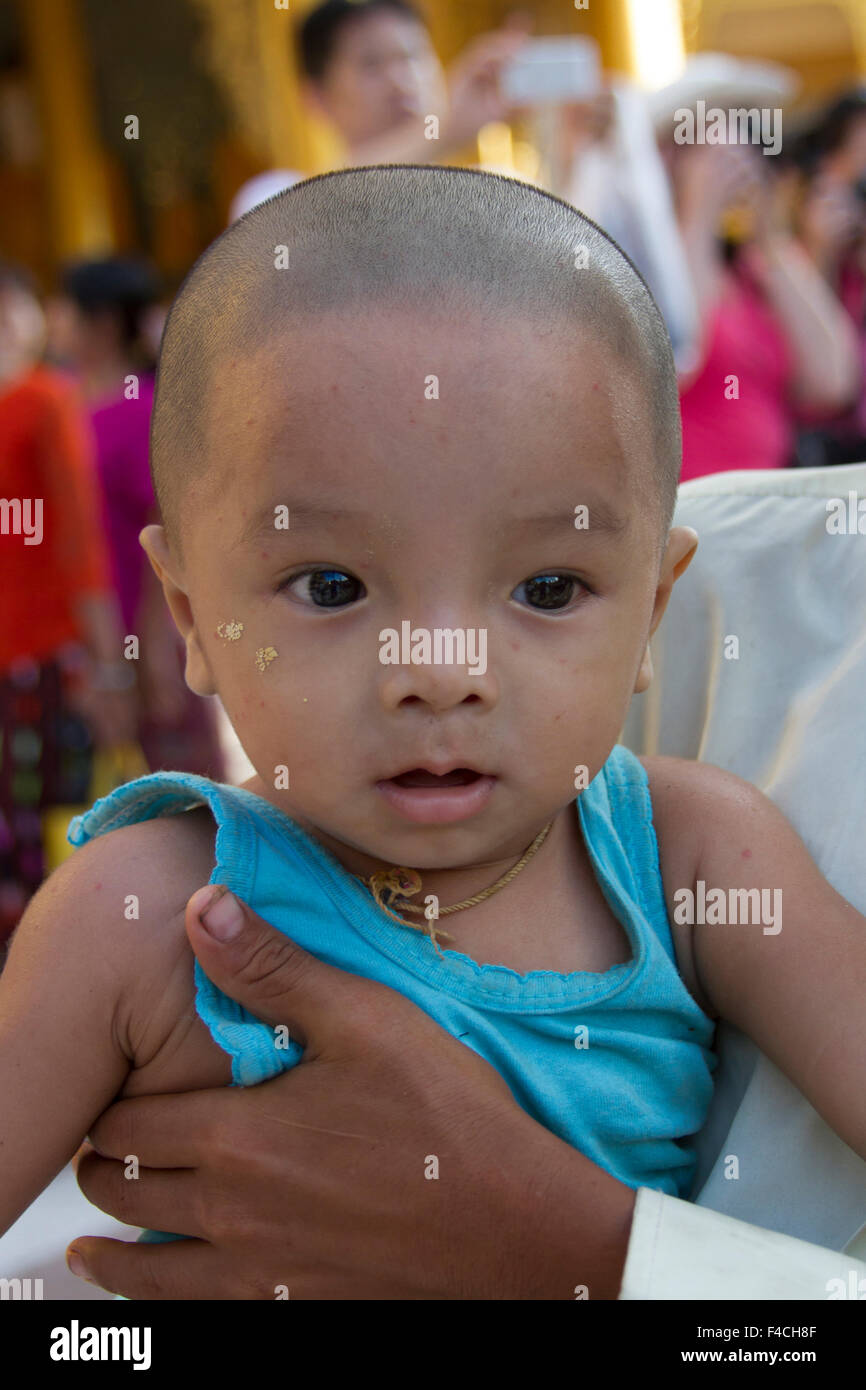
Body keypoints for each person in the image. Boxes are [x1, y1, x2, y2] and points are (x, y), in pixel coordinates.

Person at [1, 168, 865, 1298]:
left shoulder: (691, 855)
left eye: (548, 588)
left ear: (652, 609)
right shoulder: (145, 916)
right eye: (330, 584)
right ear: (190, 616)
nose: (441, 675)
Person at [0, 262, 134, 951]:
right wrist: (111, 670)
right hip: (48, 662)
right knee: (75, 831)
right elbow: (80, 548)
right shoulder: (45, 402)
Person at [47, 259, 224, 779]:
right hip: (87, 637)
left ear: (101, 323)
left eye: (66, 309)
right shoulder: (66, 405)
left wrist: (155, 651)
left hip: (145, 641)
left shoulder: (143, 409)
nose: (55, 320)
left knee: (180, 796)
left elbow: (166, 536)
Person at [231, 0, 530, 219]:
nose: (400, 80)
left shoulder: (490, 196)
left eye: (412, 56)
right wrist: (445, 131)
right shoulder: (272, 198)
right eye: (371, 64)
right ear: (316, 98)